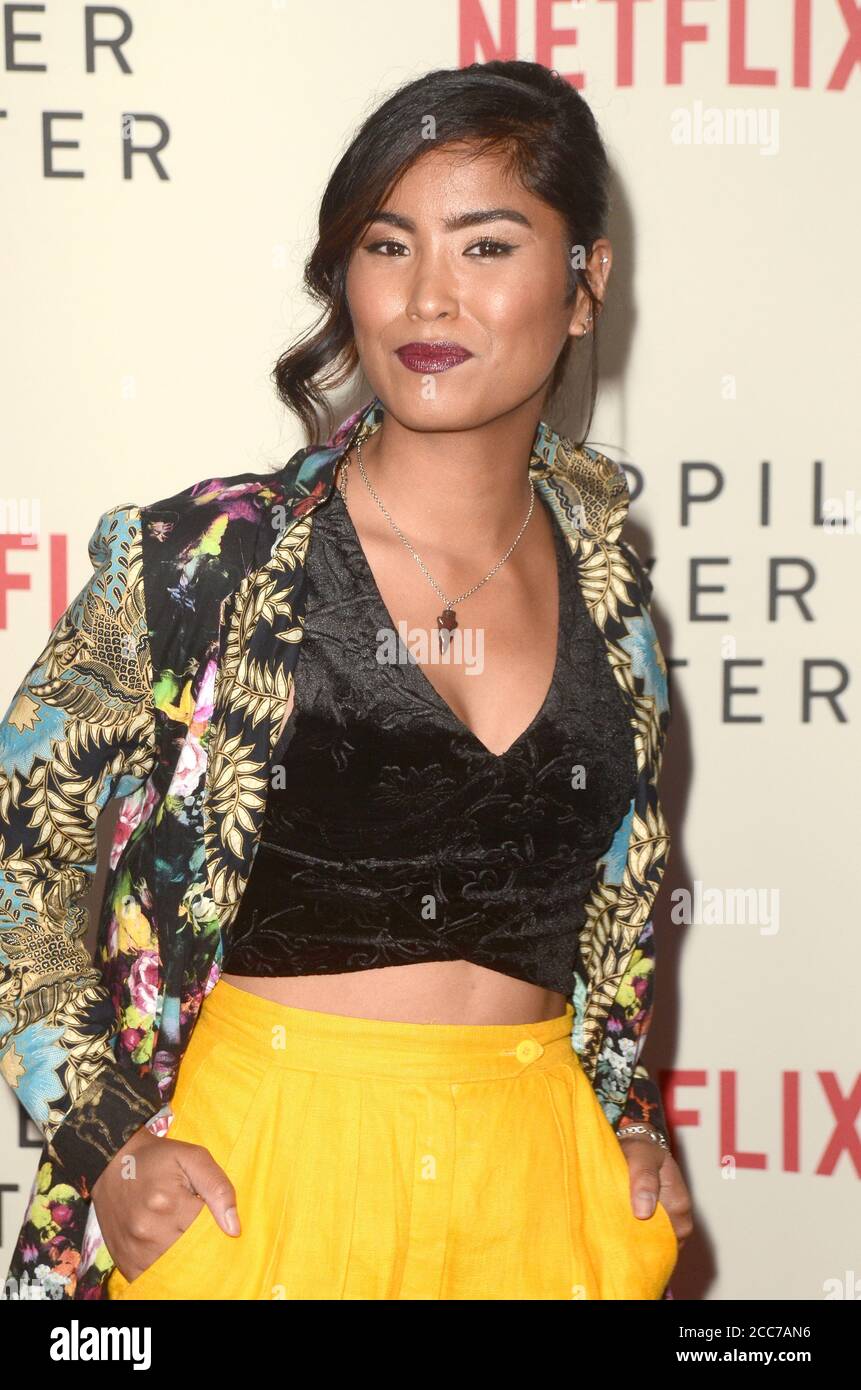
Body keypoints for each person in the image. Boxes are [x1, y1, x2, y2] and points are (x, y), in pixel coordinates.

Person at [1, 59, 693, 1302]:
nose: (431, 294)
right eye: (388, 245)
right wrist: (102, 1137)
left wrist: (623, 1107)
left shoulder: (615, 597)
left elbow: (617, 923)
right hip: (258, 1178)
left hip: (534, 1200)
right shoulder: (198, 561)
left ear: (586, 285)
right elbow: (19, 861)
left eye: (488, 247)